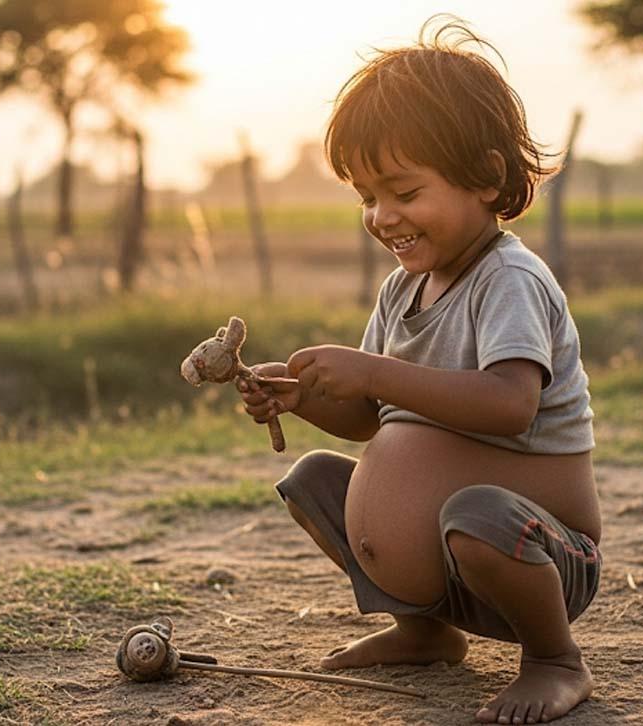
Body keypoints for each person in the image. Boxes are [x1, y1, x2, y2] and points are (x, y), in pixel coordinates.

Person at [237, 17, 602, 724]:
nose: (382, 216)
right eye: (367, 196)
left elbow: (508, 406)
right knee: (313, 478)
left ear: (488, 178)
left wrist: (371, 371)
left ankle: (555, 658)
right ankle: (425, 630)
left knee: (476, 513)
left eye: (404, 193)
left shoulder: (509, 281)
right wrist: (302, 395)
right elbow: (373, 420)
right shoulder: (404, 289)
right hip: (451, 563)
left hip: (537, 553)